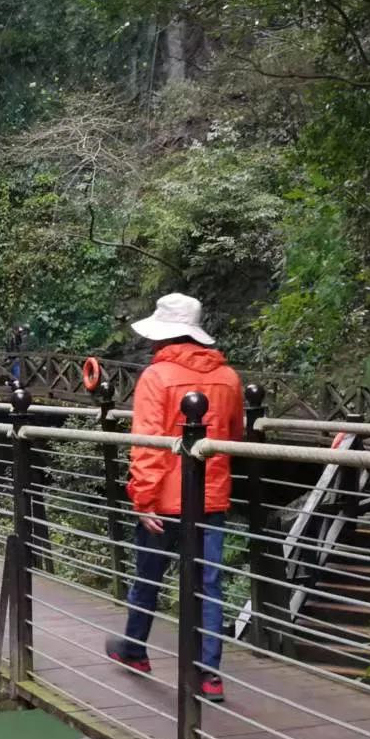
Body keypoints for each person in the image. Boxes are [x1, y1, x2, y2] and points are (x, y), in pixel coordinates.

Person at [105, 293, 244, 704]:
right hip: (210, 499)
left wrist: (143, 499)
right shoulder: (229, 379)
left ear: (164, 336)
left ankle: (135, 649)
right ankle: (209, 676)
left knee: (148, 575)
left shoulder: (157, 376)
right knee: (208, 586)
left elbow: (147, 443)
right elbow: (233, 438)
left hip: (164, 501)